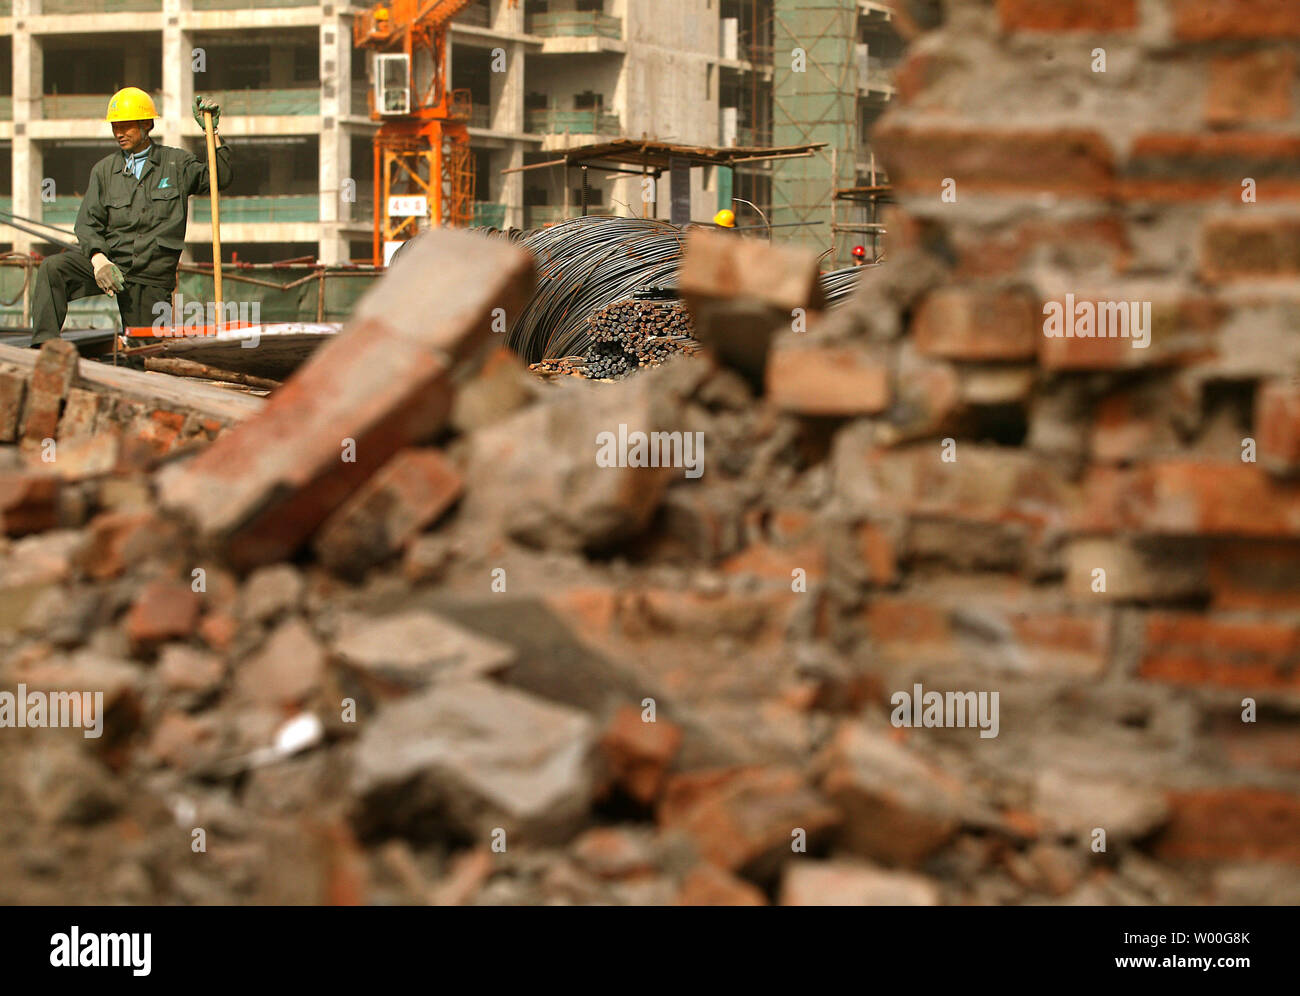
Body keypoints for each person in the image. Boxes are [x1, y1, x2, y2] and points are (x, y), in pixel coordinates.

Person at [30, 87, 231, 345]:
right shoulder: (104, 171)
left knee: (148, 355)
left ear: (146, 124)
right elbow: (87, 224)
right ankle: (45, 346)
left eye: (126, 126)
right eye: (115, 127)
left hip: (151, 277)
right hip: (111, 263)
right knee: (53, 268)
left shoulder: (176, 164)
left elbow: (220, 178)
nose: (119, 133)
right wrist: (99, 259)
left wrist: (211, 133)